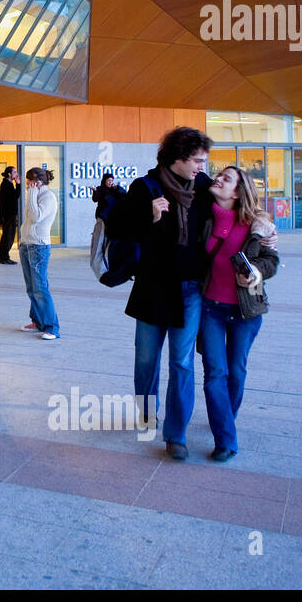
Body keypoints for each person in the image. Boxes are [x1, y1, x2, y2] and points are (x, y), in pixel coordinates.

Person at [105, 127, 216, 460]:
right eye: (196, 160)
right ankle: (146, 412)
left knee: (182, 363)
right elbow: (117, 228)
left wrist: (262, 230)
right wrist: (148, 216)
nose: (200, 166)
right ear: (177, 158)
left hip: (190, 290)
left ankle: (176, 435)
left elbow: (231, 215)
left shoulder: (204, 188)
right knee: (146, 359)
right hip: (153, 288)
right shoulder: (144, 187)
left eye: (202, 161)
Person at [199, 166, 279, 462]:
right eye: (218, 174)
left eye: (226, 178)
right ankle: (225, 439)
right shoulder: (204, 216)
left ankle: (225, 418)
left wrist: (256, 272)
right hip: (211, 308)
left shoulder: (257, 224)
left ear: (238, 190)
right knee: (215, 372)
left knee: (236, 371)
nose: (218, 179)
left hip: (246, 311)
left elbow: (272, 260)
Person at [19, 168, 59, 340]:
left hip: (39, 247)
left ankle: (52, 327)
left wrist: (32, 194)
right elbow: (28, 220)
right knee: (31, 288)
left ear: (38, 182)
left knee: (41, 288)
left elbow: (36, 217)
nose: (27, 184)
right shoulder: (34, 195)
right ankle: (37, 321)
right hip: (26, 245)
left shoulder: (47, 197)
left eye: (29, 181)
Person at [0, 166, 21, 265]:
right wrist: (18, 184)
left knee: (8, 236)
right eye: (14, 172)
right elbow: (15, 196)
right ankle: (4, 257)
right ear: (9, 174)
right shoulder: (7, 184)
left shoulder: (8, 184)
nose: (16, 174)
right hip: (9, 214)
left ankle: (4, 257)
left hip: (8, 214)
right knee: (8, 236)